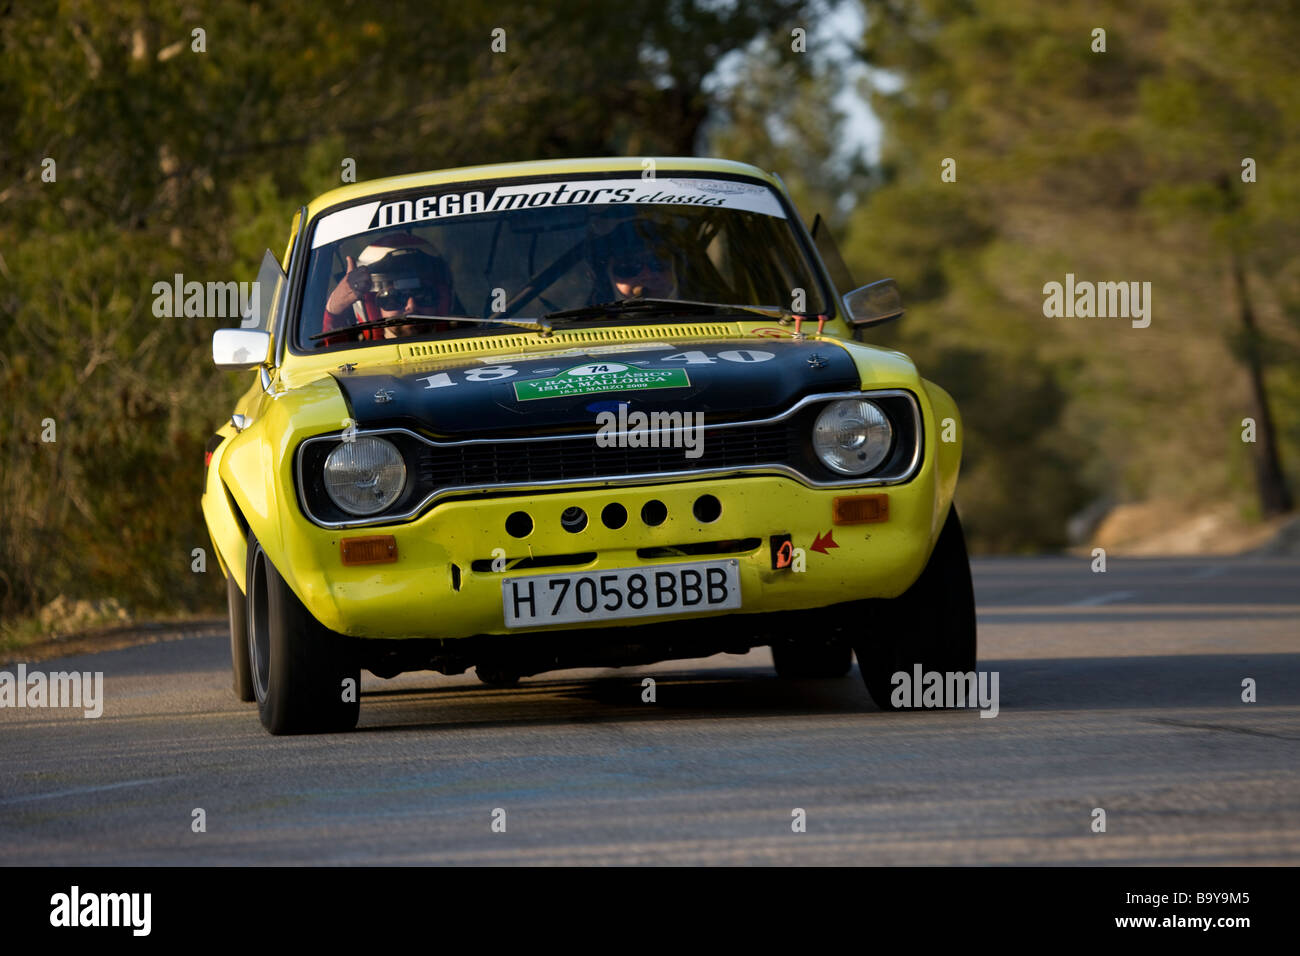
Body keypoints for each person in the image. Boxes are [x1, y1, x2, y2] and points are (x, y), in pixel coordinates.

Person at [319, 232, 455, 345]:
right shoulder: (351, 360)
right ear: (372, 306)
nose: (411, 306)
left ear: (441, 299)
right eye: (394, 297)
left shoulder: (471, 337)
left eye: (424, 296)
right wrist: (334, 313)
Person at [588, 218, 680, 302]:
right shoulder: (586, 319)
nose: (647, 275)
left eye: (657, 263)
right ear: (607, 277)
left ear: (675, 267)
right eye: (628, 268)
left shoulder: (694, 307)